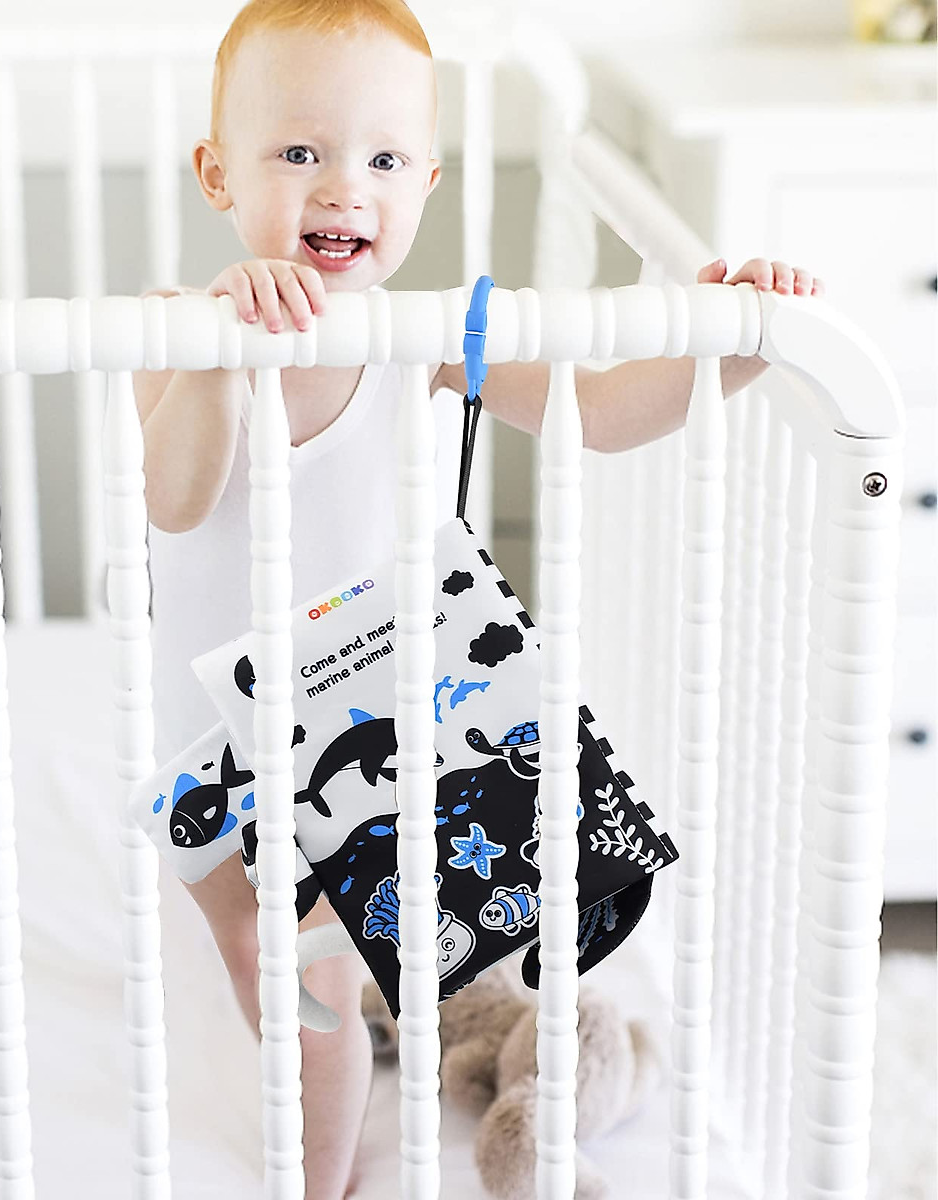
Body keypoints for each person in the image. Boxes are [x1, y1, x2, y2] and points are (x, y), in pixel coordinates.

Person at [133, 2, 824, 1195]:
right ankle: (337, 1034)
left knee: (310, 967)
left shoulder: (430, 335)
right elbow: (176, 498)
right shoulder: (171, 329)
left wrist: (736, 341)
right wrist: (219, 357)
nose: (343, 186)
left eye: (384, 159)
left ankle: (320, 1176)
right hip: (207, 734)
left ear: (427, 183)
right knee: (250, 954)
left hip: (360, 722)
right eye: (299, 152)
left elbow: (600, 411)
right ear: (218, 175)